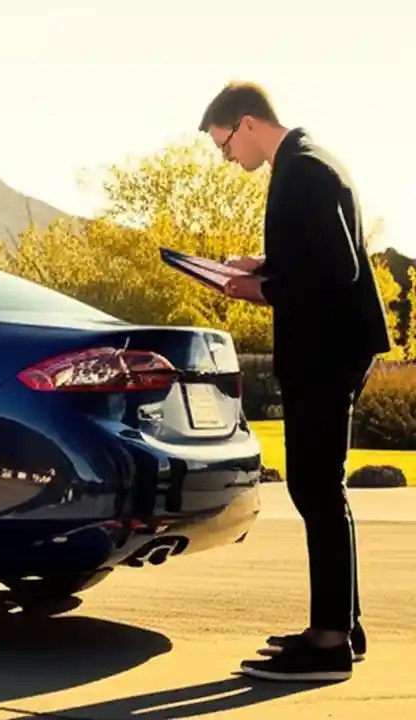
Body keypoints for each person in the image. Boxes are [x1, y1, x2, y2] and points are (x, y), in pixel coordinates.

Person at [198, 81, 392, 682]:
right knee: (321, 487)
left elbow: (337, 271)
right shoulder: (314, 161)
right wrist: (265, 266)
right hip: (334, 348)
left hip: (325, 353)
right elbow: (319, 256)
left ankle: (329, 642)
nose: (226, 158)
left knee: (314, 488)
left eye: (224, 144)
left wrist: (259, 289)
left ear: (247, 123)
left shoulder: (301, 171)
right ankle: (341, 626)